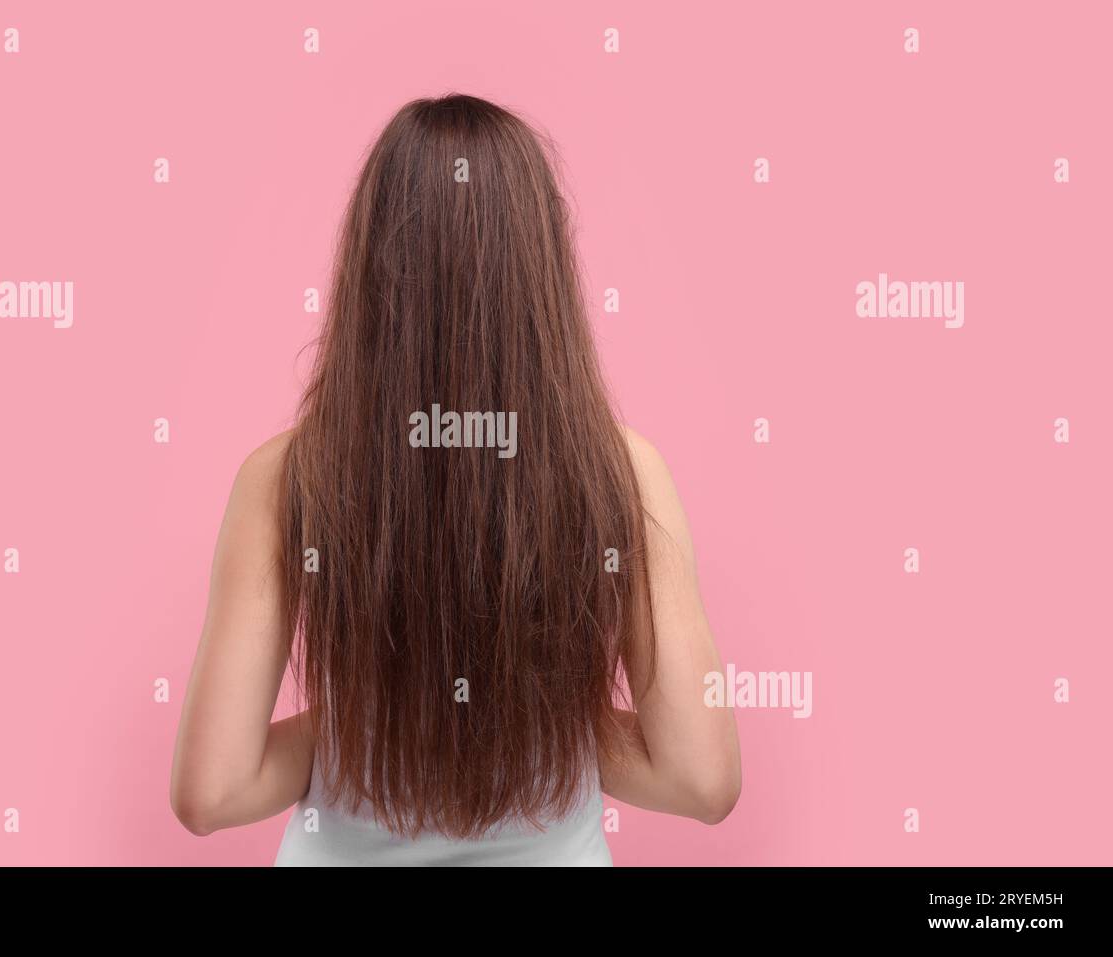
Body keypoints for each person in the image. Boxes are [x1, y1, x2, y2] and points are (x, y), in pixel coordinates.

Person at [170, 94, 741, 866]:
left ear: (370, 268)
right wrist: (531, 720)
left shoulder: (284, 481)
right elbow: (700, 777)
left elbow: (214, 791)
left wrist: (374, 723)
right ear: (541, 271)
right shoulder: (623, 474)